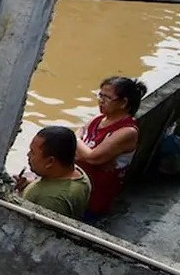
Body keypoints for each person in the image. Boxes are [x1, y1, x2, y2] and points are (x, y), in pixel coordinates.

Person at [75, 76, 147, 219]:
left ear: (123, 103)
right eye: (100, 95)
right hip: (78, 185)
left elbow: (92, 157)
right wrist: (78, 144)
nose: (101, 101)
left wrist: (76, 142)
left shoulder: (127, 131)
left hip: (94, 196)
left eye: (107, 97)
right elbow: (76, 139)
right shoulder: (98, 119)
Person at [14, 126, 92, 219]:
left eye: (33, 152)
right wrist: (27, 184)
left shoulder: (52, 201)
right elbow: (50, 184)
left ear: (50, 162)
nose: (28, 155)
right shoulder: (73, 171)